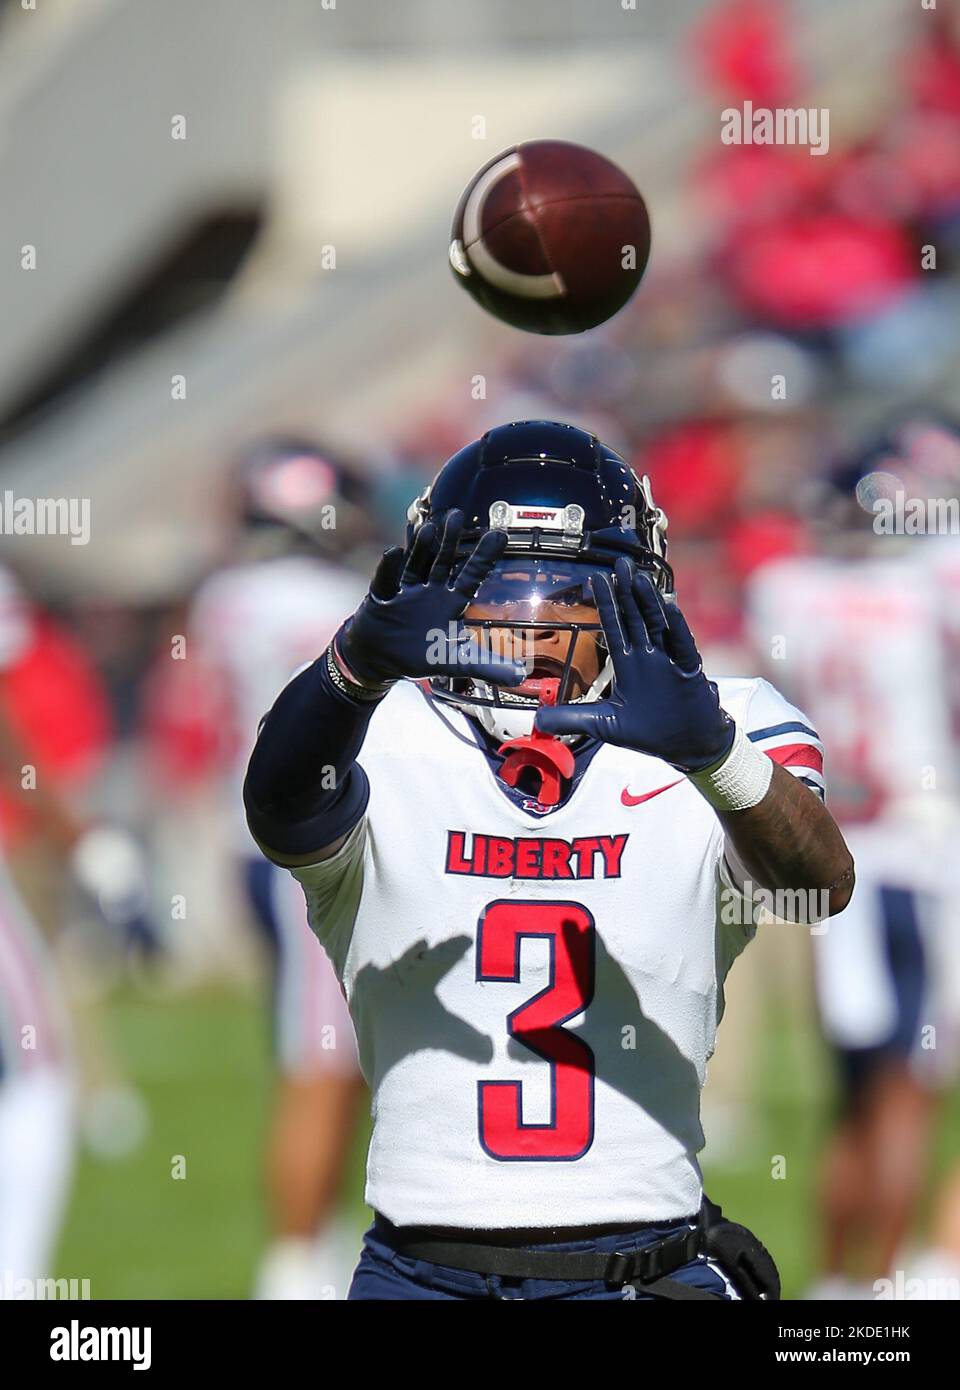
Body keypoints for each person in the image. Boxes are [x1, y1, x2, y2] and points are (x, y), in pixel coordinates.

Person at [244, 420, 854, 1301]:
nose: (533, 622)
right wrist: (352, 668)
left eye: (573, 592)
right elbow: (280, 810)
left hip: (642, 1267)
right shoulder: (387, 730)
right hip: (421, 1273)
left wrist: (715, 757)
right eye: (502, 588)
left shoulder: (725, 719)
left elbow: (817, 890)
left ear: (629, 590)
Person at [172, 439, 370, 1299]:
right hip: (309, 854)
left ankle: (316, 1244)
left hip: (245, 843)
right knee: (322, 1062)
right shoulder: (335, 600)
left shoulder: (224, 598)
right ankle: (293, 1267)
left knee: (332, 1054)